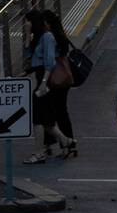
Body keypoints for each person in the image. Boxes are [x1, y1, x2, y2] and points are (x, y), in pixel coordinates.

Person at [23, 10, 70, 162]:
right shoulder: (36, 37)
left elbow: (50, 62)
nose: (25, 24)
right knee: (45, 120)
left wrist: (43, 84)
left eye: (27, 21)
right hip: (39, 79)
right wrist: (27, 36)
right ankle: (66, 141)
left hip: (45, 81)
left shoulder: (48, 37)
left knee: (38, 118)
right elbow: (27, 56)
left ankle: (39, 152)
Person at [42, 10, 77, 159]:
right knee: (59, 111)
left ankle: (62, 144)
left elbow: (48, 60)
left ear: (47, 23)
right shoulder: (61, 36)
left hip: (53, 79)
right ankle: (62, 144)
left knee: (51, 112)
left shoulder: (49, 38)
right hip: (63, 79)